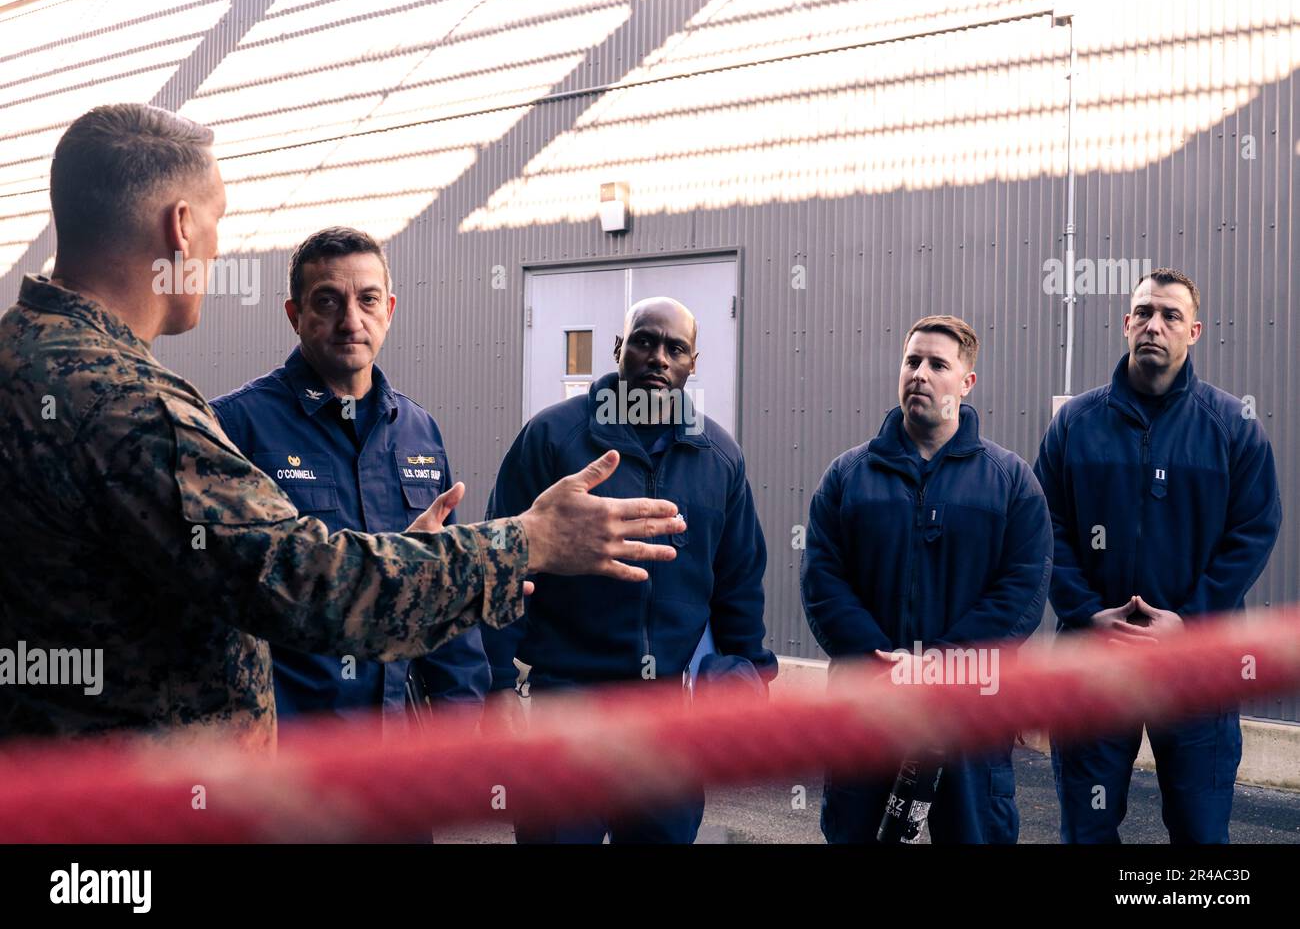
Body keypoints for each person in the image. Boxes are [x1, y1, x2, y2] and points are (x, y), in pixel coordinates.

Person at [0, 103, 685, 750]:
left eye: (367, 302)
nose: (215, 250)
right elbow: (307, 582)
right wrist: (527, 542)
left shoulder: (23, 355)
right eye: (217, 223)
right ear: (181, 226)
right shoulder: (132, 406)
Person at [482, 296, 775, 843]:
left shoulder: (720, 457)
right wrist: (496, 685)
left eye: (675, 348)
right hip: (566, 704)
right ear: (619, 349)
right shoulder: (552, 439)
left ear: (693, 363)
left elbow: (739, 584)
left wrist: (750, 679)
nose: (658, 358)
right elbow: (501, 562)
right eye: (644, 341)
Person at [1034, 268, 1281, 843]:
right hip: (1095, 657)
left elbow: (1253, 531)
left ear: (1193, 331)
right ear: (1126, 324)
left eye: (1170, 315)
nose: (1155, 325)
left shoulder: (1232, 428)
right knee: (1087, 828)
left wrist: (1189, 622)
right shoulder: (1076, 423)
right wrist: (1085, 612)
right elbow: (1044, 526)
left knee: (1200, 832)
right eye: (1144, 312)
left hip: (1195, 665)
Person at [212, 226, 489, 736]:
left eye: (367, 300)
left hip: (394, 753)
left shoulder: (418, 431)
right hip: (287, 755)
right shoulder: (235, 427)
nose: (351, 321)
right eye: (327, 302)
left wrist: (461, 720)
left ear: (390, 309)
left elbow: (446, 589)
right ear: (294, 315)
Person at [801, 314, 1052, 843]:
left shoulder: (1010, 482)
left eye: (938, 363)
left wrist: (940, 663)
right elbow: (823, 582)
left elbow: (1022, 591)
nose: (920, 373)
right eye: (912, 360)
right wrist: (879, 662)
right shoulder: (848, 477)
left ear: (966, 383)